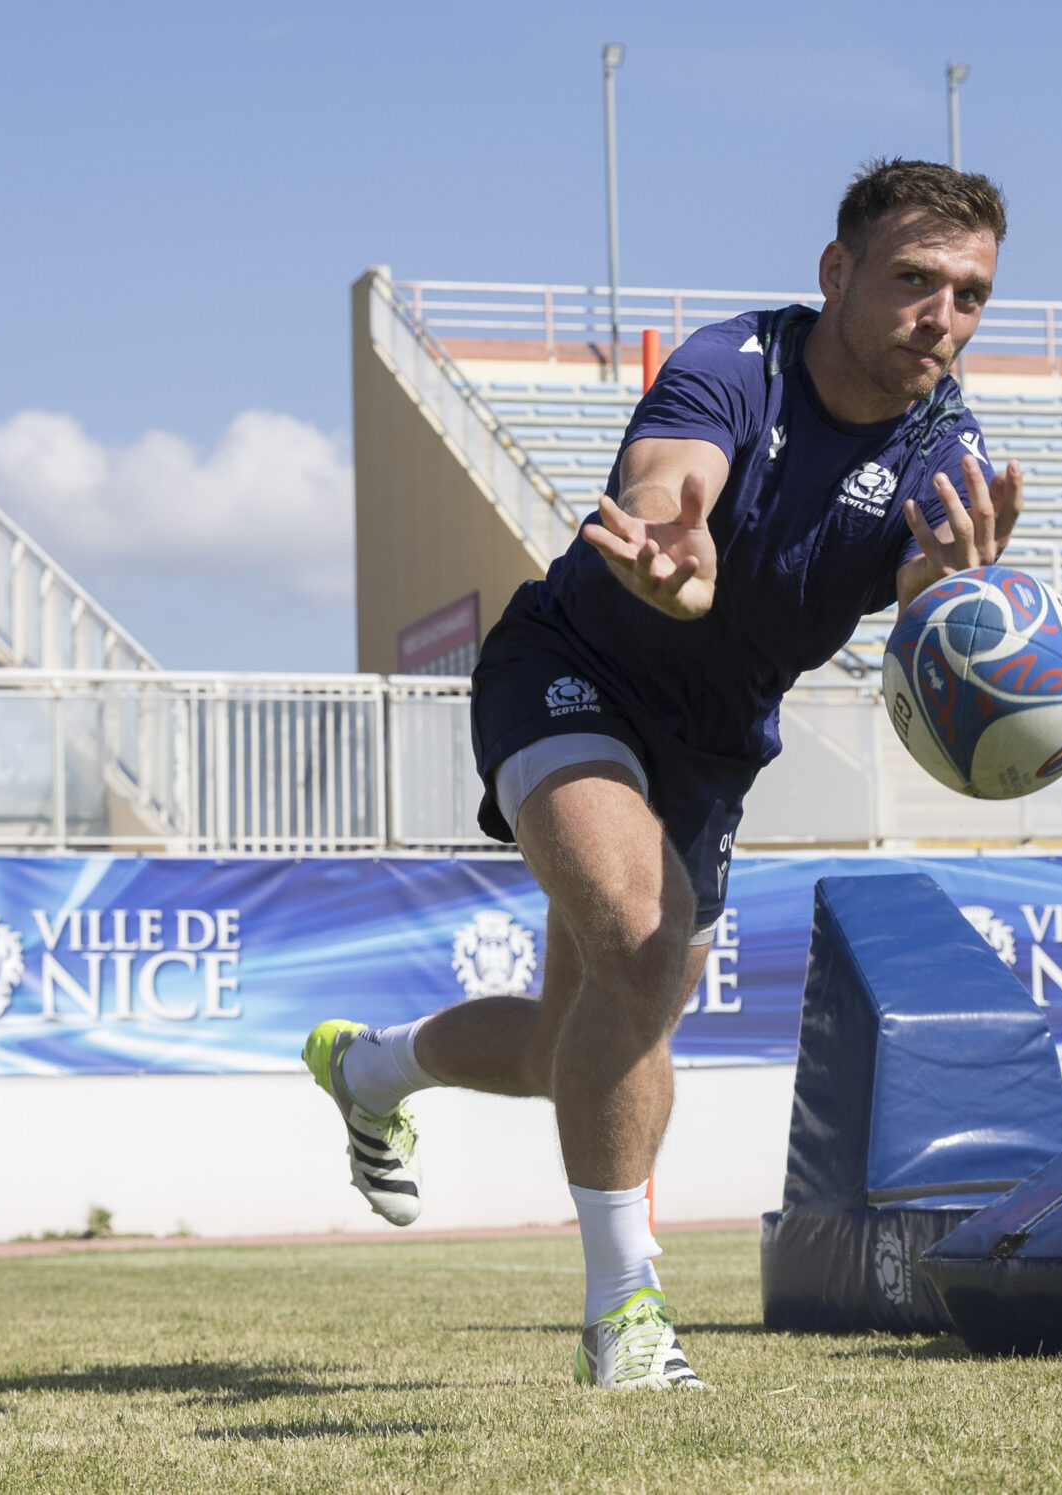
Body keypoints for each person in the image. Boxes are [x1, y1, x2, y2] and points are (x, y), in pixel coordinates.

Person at [304, 159, 1021, 1390]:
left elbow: (916, 594)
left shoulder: (945, 445)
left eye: (967, 296)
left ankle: (366, 1066)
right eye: (911, 279)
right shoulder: (732, 361)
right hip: (574, 666)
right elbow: (668, 481)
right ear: (837, 273)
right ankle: (624, 1316)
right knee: (640, 942)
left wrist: (948, 594)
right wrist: (673, 546)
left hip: (712, 744)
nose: (938, 317)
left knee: (572, 1046)